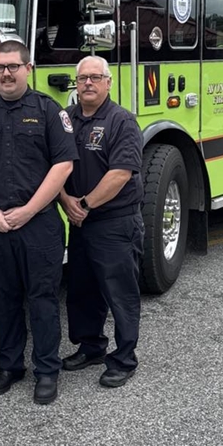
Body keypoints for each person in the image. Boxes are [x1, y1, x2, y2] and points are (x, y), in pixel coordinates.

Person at [0, 40, 76, 405]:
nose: (6, 74)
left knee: (42, 299)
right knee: (5, 298)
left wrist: (28, 210)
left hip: (39, 223)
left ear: (28, 69)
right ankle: (10, 366)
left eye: (13, 66)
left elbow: (63, 165)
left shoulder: (48, 110)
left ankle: (46, 370)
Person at [59, 56, 144, 388]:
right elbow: (57, 165)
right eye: (82, 78)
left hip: (114, 221)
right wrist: (66, 201)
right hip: (79, 220)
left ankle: (124, 358)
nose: (88, 84)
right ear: (76, 84)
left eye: (96, 77)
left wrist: (84, 204)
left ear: (108, 82)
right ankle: (91, 346)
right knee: (82, 290)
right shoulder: (66, 119)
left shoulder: (122, 121)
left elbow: (121, 173)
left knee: (119, 292)